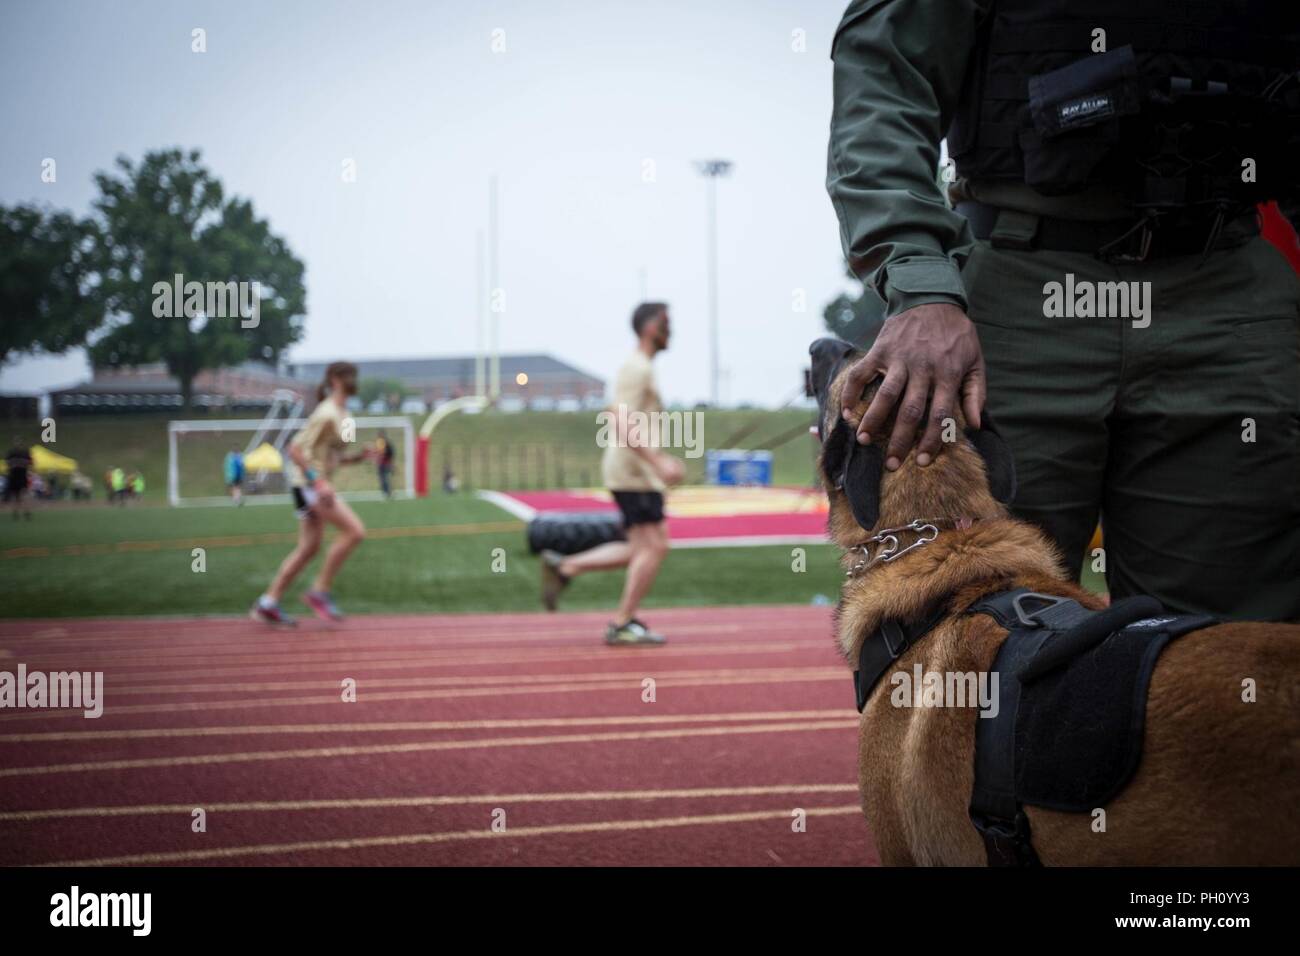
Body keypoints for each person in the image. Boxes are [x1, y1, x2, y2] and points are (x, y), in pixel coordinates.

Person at [826, 0, 1300, 621]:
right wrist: (922, 286)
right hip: (1018, 296)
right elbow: (884, 86)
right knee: (973, 629)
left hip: (1231, 291)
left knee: (1234, 653)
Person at [539, 302, 685, 645]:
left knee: (644, 547)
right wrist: (658, 463)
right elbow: (619, 418)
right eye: (667, 323)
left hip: (634, 471)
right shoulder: (636, 368)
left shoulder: (641, 366)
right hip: (634, 473)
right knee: (654, 547)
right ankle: (621, 622)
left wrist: (660, 459)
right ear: (651, 327)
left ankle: (565, 566)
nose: (672, 330)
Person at [251, 362, 369, 625]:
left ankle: (267, 602)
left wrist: (361, 457)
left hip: (314, 483)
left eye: (354, 375)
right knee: (354, 531)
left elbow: (332, 456)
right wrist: (318, 482)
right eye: (347, 375)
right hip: (307, 485)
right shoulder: (326, 412)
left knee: (309, 548)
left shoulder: (345, 415)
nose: (353, 380)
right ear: (334, 380)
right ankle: (320, 591)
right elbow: (294, 449)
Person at [4, 439, 32, 520]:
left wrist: (17, 463)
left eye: (19, 442)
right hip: (14, 477)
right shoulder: (11, 453)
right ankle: (16, 512)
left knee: (24, 495)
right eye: (16, 442)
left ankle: (26, 512)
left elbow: (29, 462)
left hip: (21, 477)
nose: (18, 444)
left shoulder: (24, 453)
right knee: (16, 496)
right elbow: (7, 463)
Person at [374, 431, 395, 498]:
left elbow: (390, 453)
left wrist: (391, 463)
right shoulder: (378, 442)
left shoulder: (387, 443)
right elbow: (378, 453)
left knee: (385, 478)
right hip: (380, 464)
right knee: (382, 479)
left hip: (386, 464)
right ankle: (385, 492)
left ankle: (388, 493)